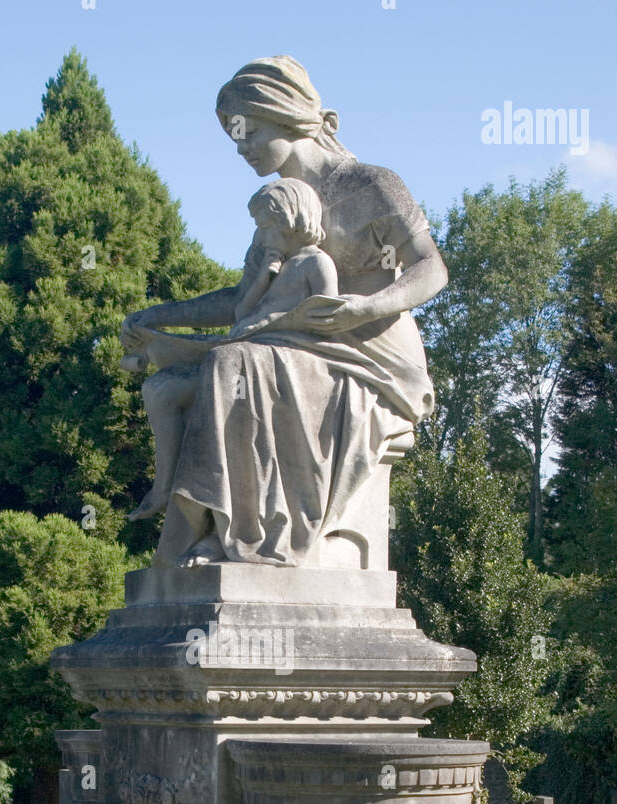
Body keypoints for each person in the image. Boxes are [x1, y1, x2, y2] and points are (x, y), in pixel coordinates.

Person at [120, 55, 445, 566]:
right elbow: (243, 301)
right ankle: (196, 535)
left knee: (234, 366)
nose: (242, 147)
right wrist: (161, 314)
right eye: (234, 137)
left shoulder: (372, 185)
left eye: (249, 131)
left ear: (287, 116)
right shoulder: (278, 208)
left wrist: (363, 307)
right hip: (292, 342)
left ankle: (243, 539)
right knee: (188, 377)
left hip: (370, 352)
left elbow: (431, 269)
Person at [125, 178, 338, 520]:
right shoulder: (273, 265)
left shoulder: (316, 264)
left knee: (224, 362)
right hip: (244, 353)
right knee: (159, 388)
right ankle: (163, 490)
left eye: (266, 226)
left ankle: (224, 515)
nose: (261, 236)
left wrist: (270, 325)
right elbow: (241, 310)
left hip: (281, 361)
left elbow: (325, 324)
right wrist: (264, 277)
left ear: (292, 219)